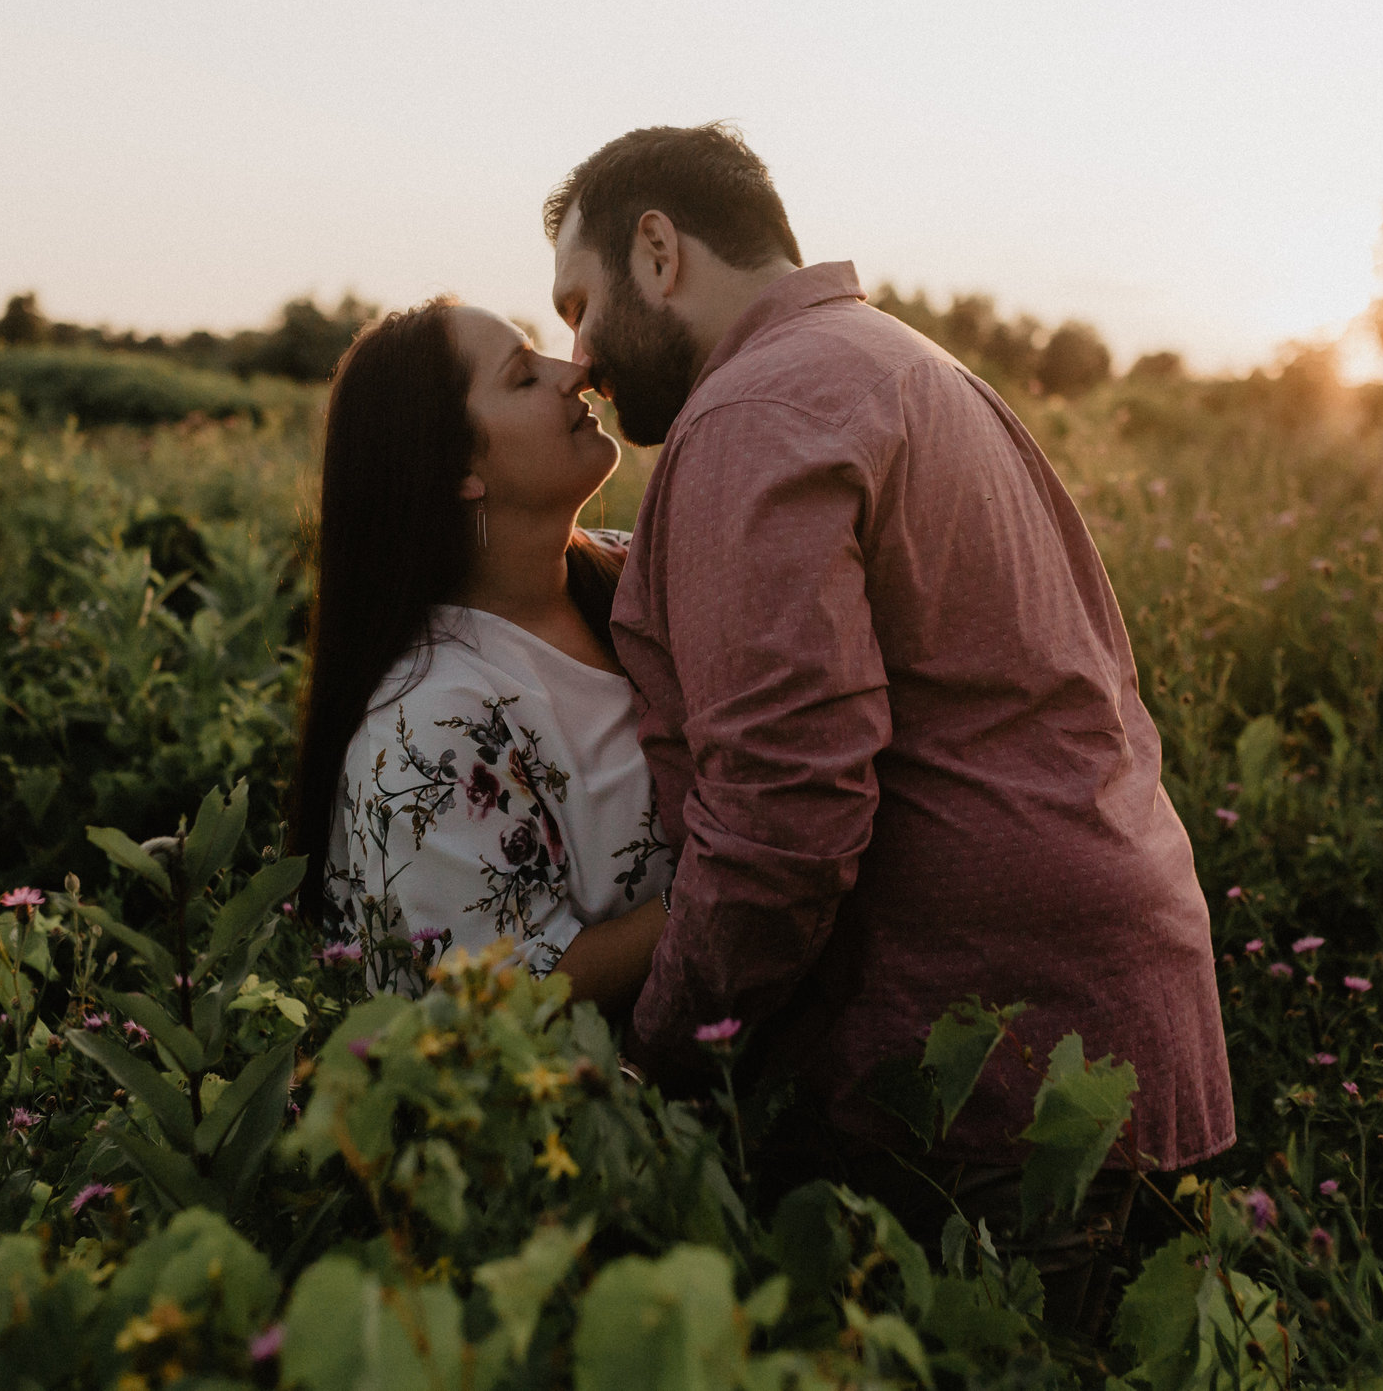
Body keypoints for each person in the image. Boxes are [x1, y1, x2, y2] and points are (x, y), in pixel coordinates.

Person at [543, 124, 1234, 1331]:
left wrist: (664, 1052)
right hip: (1104, 1026)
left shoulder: (751, 408)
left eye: (578, 302)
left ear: (656, 248)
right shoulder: (891, 363)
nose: (580, 358)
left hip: (974, 1067)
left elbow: (783, 816)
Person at [287, 299, 672, 1005]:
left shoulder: (636, 573)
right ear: (460, 466)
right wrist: (722, 896)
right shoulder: (430, 720)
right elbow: (502, 990)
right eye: (524, 376)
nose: (576, 369)